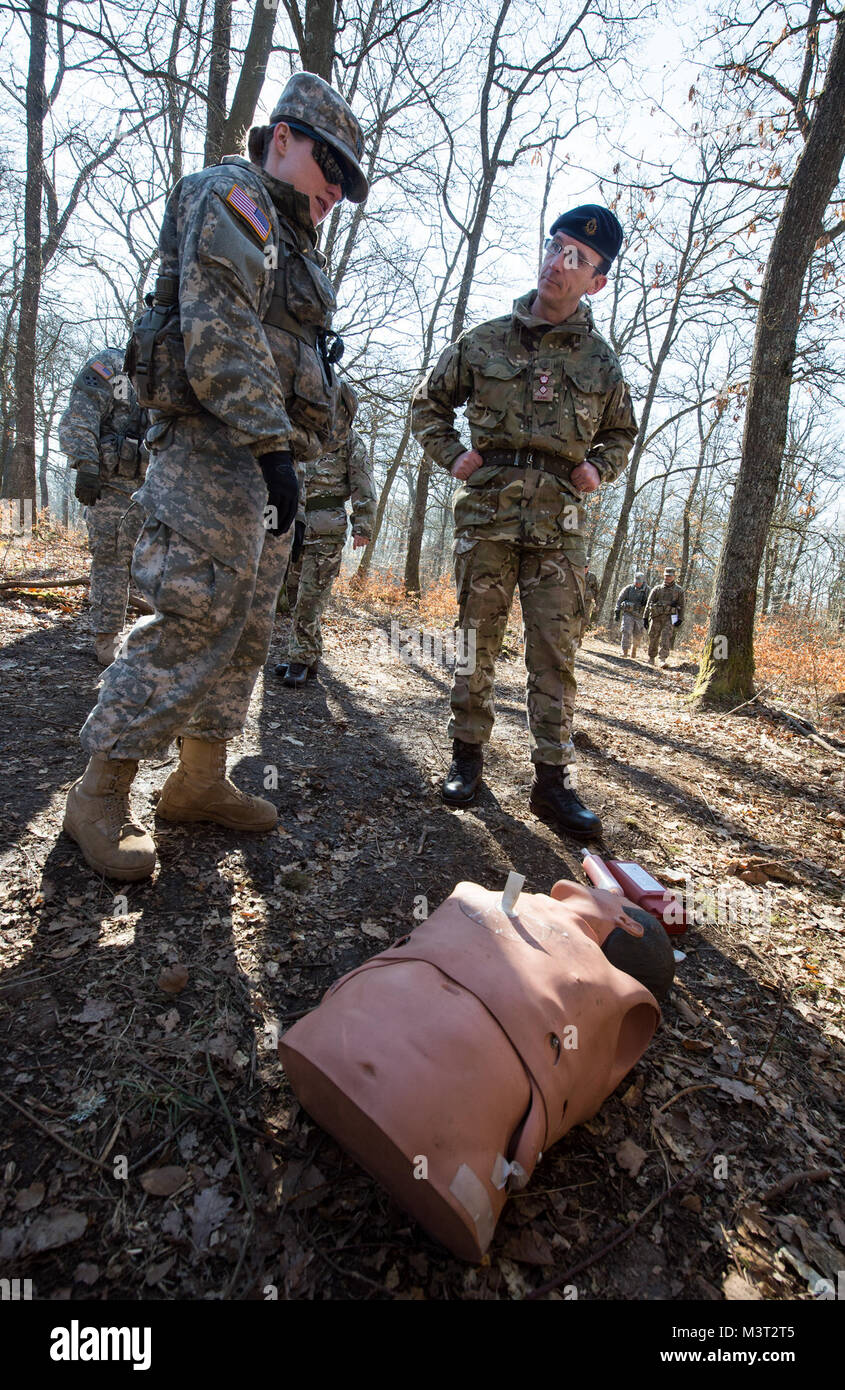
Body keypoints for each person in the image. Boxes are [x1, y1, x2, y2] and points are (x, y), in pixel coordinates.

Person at [62, 71, 368, 881]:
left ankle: (198, 779)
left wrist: (291, 453)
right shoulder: (233, 199)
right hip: (213, 453)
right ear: (282, 138)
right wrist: (272, 451)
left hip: (269, 466)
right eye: (327, 164)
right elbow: (221, 329)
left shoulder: (296, 244)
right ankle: (98, 793)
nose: (336, 189)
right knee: (190, 618)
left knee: (246, 634)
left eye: (347, 180)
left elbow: (291, 355)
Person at [411, 204, 637, 838]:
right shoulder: (484, 339)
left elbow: (621, 433)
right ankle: (467, 759)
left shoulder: (601, 361)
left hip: (559, 528)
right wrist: (454, 455)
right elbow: (428, 404)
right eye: (554, 246)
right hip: (487, 514)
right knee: (473, 641)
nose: (556, 264)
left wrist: (600, 468)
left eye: (576, 258)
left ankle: (551, 783)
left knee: (555, 653)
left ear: (596, 280)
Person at [275, 399, 376, 687]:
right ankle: (308, 656)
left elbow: (364, 482)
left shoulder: (350, 440)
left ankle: (300, 660)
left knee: (311, 595)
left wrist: (363, 525)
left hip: (326, 526)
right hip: (295, 523)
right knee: (294, 593)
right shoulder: (304, 434)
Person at [59, 350, 148, 666]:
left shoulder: (176, 373)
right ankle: (107, 639)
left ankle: (161, 644)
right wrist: (86, 464)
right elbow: (81, 413)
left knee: (166, 565)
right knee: (111, 560)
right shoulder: (112, 367)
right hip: (113, 487)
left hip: (160, 487)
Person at [644, 566, 685, 666]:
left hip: (670, 618)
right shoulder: (657, 589)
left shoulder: (679, 591)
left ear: (674, 577)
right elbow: (649, 603)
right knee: (653, 636)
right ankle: (651, 657)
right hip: (656, 617)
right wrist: (645, 618)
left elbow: (682, 606)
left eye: (670, 576)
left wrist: (680, 619)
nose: (667, 578)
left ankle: (662, 659)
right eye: (666, 576)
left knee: (666, 637)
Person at [614, 570, 647, 658]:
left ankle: (634, 650)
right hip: (628, 614)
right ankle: (625, 652)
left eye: (639, 582)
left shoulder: (648, 591)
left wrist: (647, 618)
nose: (637, 583)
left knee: (638, 634)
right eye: (635, 581)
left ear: (643, 582)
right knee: (626, 631)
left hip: (640, 616)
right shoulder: (628, 588)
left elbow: (650, 604)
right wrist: (617, 611)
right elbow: (620, 599)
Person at [578, 561, 600, 644]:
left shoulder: (592, 577)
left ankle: (579, 637)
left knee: (585, 621)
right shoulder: (576, 574)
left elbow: (597, 591)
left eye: (586, 566)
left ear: (589, 567)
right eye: (583, 566)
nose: (585, 568)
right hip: (575, 600)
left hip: (587, 602)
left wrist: (597, 604)